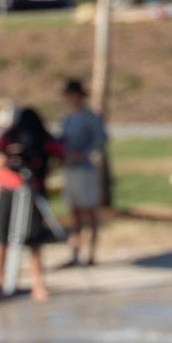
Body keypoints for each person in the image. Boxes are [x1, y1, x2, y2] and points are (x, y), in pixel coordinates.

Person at [0, 107, 65, 302]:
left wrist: (44, 166)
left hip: (33, 189)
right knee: (1, 237)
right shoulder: (9, 137)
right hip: (8, 189)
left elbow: (62, 154)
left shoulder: (44, 138)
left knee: (34, 239)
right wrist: (8, 159)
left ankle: (38, 284)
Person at [58, 79, 107, 268]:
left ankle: (92, 255)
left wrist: (83, 154)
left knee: (90, 211)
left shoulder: (90, 117)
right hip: (70, 170)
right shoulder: (68, 119)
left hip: (86, 170)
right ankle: (75, 253)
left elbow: (100, 140)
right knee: (75, 213)